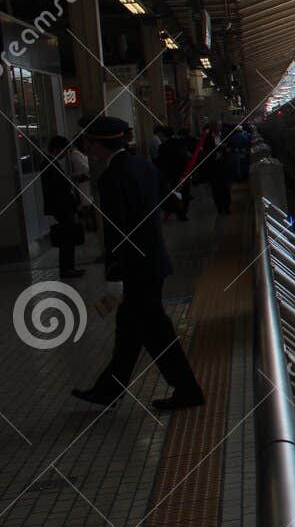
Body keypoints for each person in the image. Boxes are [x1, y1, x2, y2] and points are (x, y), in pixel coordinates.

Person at [70, 115, 204, 411]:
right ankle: (109, 389)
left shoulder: (111, 177)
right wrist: (173, 195)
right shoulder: (144, 166)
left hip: (136, 269)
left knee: (156, 333)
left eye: (88, 142)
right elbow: (172, 201)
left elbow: (117, 231)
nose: (87, 147)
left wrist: (114, 273)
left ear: (97, 144)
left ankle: (188, 391)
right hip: (153, 263)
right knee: (129, 330)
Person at [40, 136, 85, 279]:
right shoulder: (49, 164)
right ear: (57, 149)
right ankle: (67, 269)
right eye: (64, 150)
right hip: (62, 207)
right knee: (66, 238)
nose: (65, 153)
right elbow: (57, 188)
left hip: (62, 206)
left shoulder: (51, 162)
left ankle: (69, 267)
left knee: (67, 238)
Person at [154, 125, 190, 222]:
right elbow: (186, 157)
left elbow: (160, 163)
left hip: (171, 175)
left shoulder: (163, 147)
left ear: (164, 135)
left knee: (174, 194)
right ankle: (184, 211)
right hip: (184, 172)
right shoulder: (181, 143)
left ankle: (180, 213)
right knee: (185, 193)